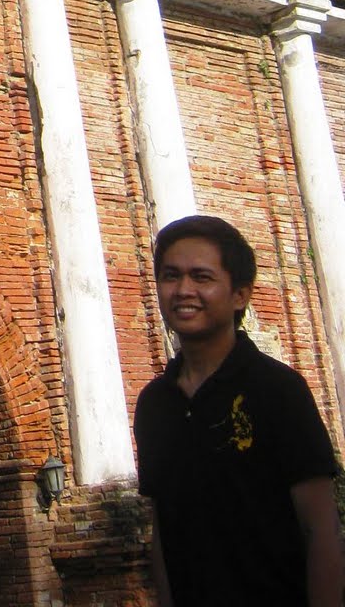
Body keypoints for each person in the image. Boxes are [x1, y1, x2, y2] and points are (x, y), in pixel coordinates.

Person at [134, 214, 342, 606]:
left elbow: (321, 528)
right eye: (170, 276)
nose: (183, 290)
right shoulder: (155, 405)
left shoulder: (278, 390)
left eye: (202, 277)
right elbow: (162, 531)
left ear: (240, 295)